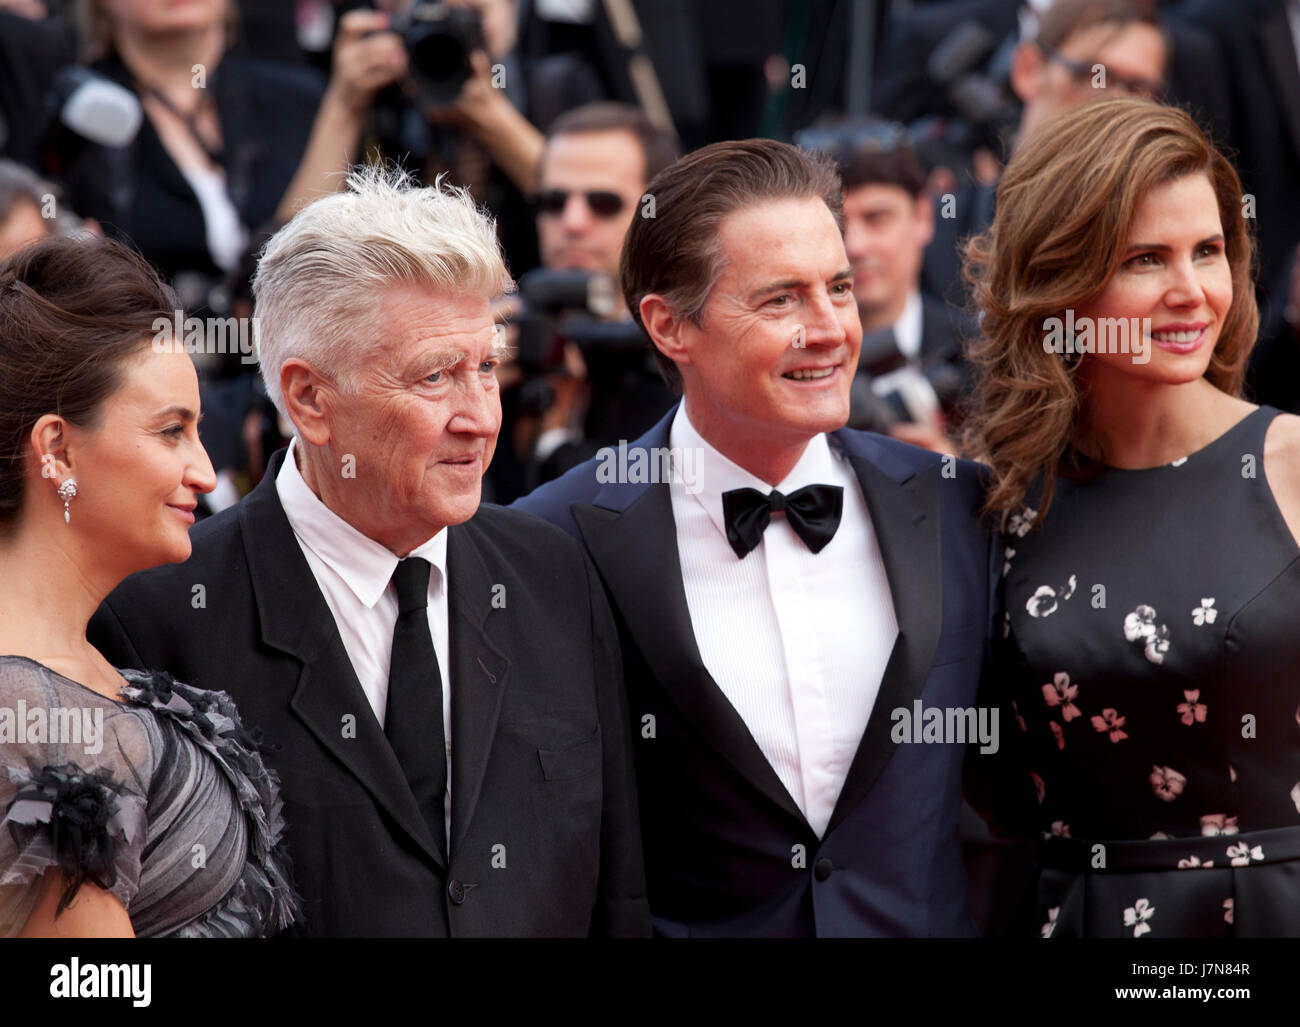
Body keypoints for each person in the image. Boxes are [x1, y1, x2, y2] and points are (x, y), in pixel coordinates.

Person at [88, 164, 650, 937]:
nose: (478, 417)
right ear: (311, 399)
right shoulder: (156, 617)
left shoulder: (553, 573)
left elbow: (618, 898)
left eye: (486, 367)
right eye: (435, 376)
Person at [515, 139, 1013, 937]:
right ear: (670, 325)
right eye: (781, 300)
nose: (828, 329)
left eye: (839, 288)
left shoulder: (959, 509)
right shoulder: (556, 538)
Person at [965, 95, 1300, 937]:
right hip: (1072, 915)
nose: (1191, 292)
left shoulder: (1294, 463)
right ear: (1062, 281)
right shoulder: (1002, 501)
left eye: (1209, 252)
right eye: (1147, 258)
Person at [0, 235, 297, 937]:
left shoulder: (72, 675)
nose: (203, 470)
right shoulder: (32, 710)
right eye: (172, 432)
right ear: (58, 450)